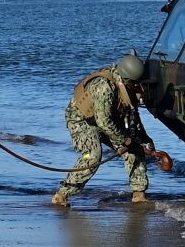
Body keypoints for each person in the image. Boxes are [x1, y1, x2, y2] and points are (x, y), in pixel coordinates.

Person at [54, 53, 171, 208]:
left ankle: (139, 194)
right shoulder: (105, 87)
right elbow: (104, 122)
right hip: (82, 122)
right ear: (129, 80)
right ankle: (62, 194)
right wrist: (125, 140)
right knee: (92, 156)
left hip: (106, 120)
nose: (141, 87)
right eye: (137, 83)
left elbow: (132, 118)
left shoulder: (128, 86)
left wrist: (144, 140)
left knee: (134, 149)